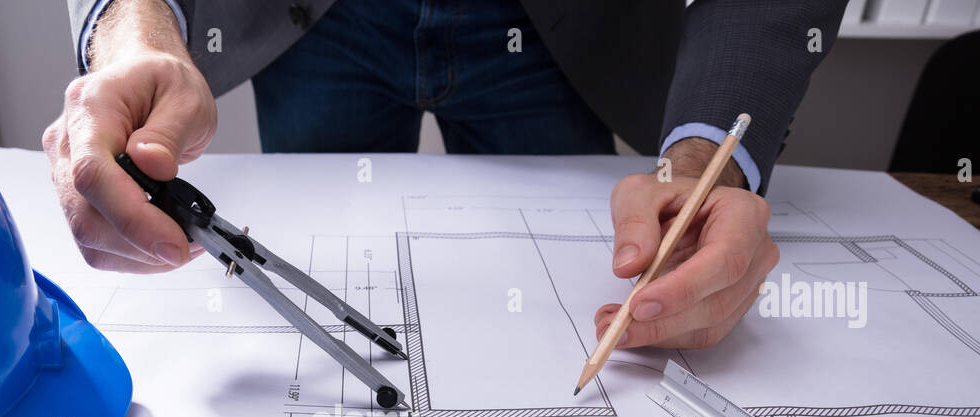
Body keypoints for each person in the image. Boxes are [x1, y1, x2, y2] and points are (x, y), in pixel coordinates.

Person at [47, 0, 847, 350]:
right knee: (331, 251)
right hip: (322, 19)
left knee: (582, 279)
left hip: (562, 27)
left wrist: (708, 160)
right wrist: (131, 30)